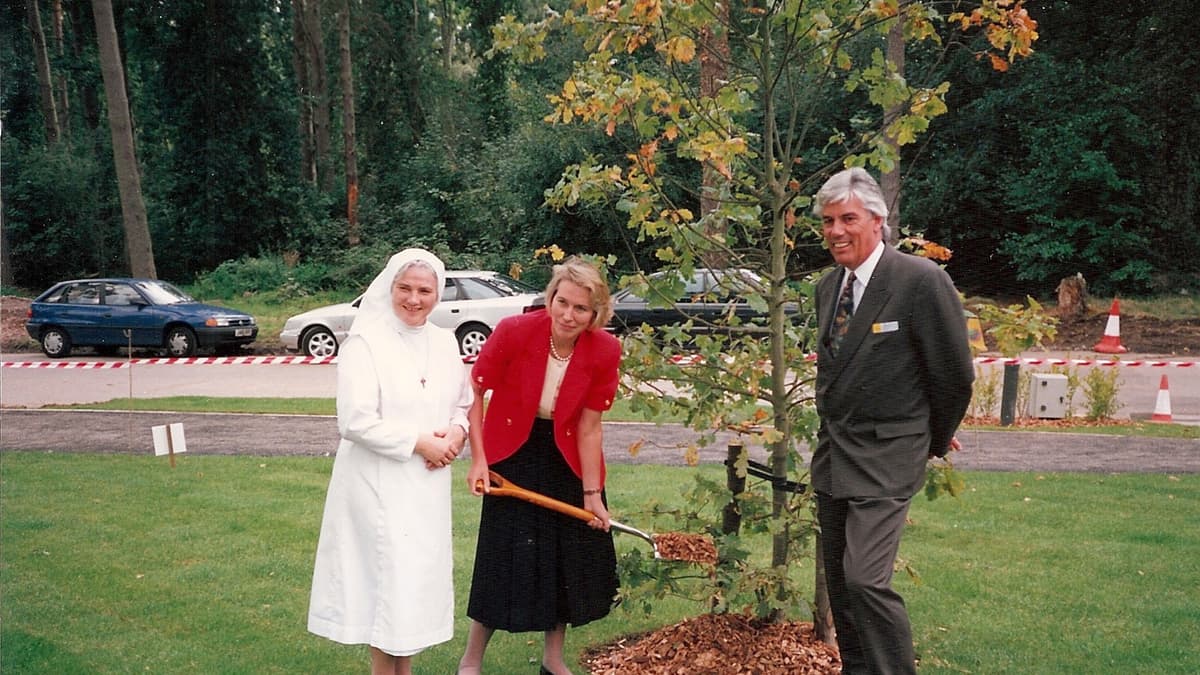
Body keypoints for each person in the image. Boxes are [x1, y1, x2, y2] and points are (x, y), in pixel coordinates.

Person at [811, 168, 975, 674]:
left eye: (848, 219)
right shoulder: (826, 288)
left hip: (890, 456)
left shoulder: (921, 281)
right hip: (834, 456)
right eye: (828, 221)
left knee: (865, 578)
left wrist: (933, 438)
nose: (836, 231)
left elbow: (955, 376)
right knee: (841, 585)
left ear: (878, 221)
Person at [308, 248, 472, 675]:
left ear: (437, 293)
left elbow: (461, 404)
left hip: (426, 486)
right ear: (389, 287)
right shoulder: (367, 341)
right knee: (385, 585)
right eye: (405, 288)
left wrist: (456, 434)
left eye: (424, 290)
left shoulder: (444, 340)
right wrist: (420, 442)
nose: (414, 299)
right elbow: (355, 421)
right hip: (378, 484)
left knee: (412, 586)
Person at [458, 256, 622, 675]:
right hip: (513, 451)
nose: (568, 315)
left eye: (580, 308)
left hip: (566, 455)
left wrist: (591, 494)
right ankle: (471, 661)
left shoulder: (605, 349)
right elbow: (472, 394)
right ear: (549, 298)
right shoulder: (514, 331)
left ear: (595, 313)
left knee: (564, 557)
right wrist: (478, 460)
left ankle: (553, 660)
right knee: (502, 554)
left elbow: (589, 427)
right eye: (561, 302)